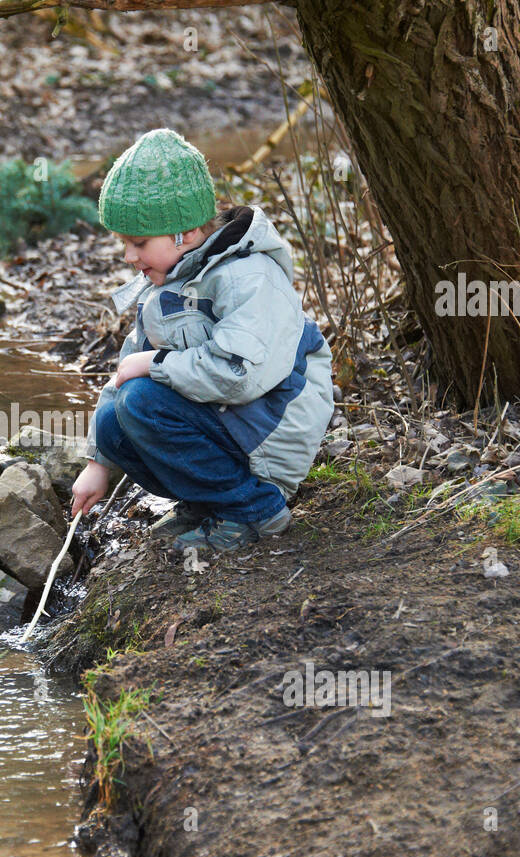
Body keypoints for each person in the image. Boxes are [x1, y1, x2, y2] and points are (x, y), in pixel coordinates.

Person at [70, 128, 334, 554]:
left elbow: (240, 375)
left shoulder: (247, 277)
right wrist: (97, 463)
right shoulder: (167, 283)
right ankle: (207, 502)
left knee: (141, 400)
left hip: (269, 429)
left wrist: (156, 364)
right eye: (124, 244)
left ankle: (255, 509)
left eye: (138, 243)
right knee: (113, 421)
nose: (128, 257)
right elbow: (124, 371)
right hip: (227, 422)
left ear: (187, 232)